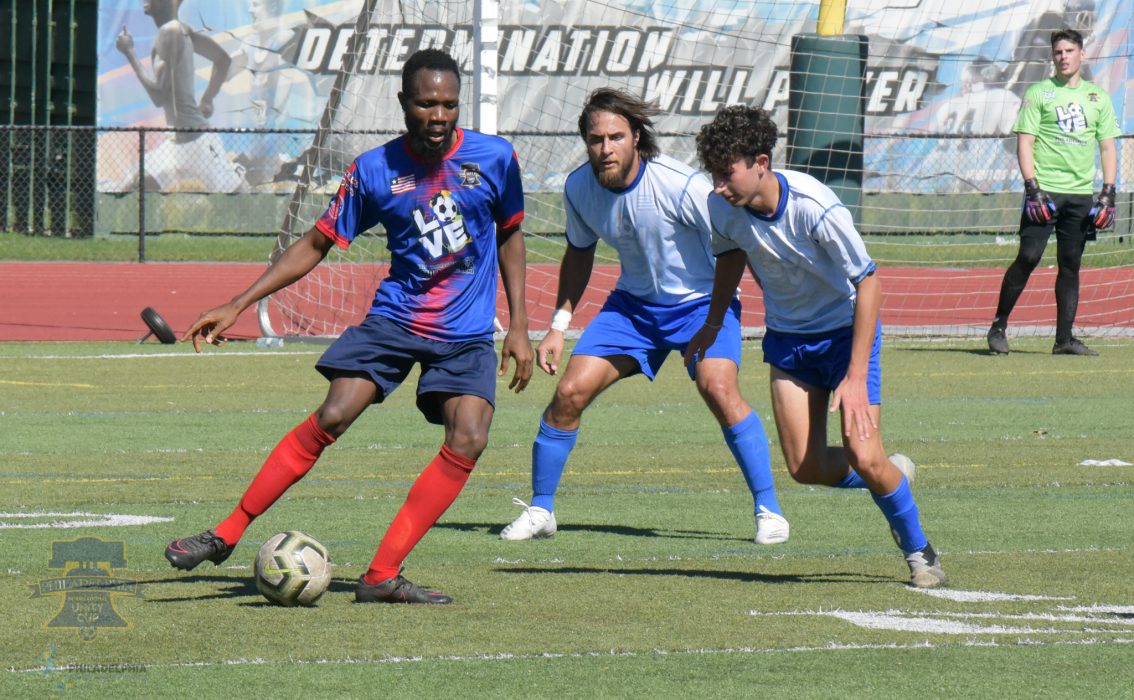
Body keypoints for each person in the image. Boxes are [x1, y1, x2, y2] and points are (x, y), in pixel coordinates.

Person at [164, 49, 534, 604]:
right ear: (404, 103)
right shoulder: (374, 170)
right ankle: (225, 534)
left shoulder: (495, 158)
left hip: (466, 333)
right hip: (396, 319)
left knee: (470, 436)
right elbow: (315, 244)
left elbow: (510, 234)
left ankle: (383, 575)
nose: (439, 116)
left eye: (449, 105)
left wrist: (521, 326)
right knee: (334, 415)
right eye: (427, 104)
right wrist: (239, 303)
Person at [499, 88, 788, 545]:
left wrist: (715, 320)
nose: (606, 148)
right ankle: (541, 509)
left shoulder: (681, 185)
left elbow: (733, 249)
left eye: (616, 136)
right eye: (596, 139)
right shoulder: (578, 188)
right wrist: (558, 326)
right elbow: (579, 254)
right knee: (569, 392)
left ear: (636, 137)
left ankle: (769, 510)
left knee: (718, 387)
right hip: (633, 309)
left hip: (701, 306)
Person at [686, 105, 945, 588]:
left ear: (761, 161)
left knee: (865, 455)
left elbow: (870, 285)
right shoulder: (721, 206)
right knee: (804, 468)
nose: (719, 185)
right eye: (714, 174)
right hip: (788, 341)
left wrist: (854, 373)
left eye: (728, 173)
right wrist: (712, 322)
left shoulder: (816, 206)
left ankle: (920, 552)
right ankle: (893, 477)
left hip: (846, 336)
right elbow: (729, 256)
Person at [986, 28, 1119, 356]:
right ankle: (998, 326)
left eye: (1069, 51)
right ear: (1053, 56)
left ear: (1081, 54)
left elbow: (1107, 148)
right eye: (1058, 52)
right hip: (1044, 192)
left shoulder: (1097, 98)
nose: (1063, 57)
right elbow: (1025, 143)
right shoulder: (1038, 93)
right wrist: (1033, 189)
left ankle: (1064, 340)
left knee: (1070, 263)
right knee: (1028, 257)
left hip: (1079, 195)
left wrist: (1108, 192)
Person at [115, 0, 248, 192]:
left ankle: (269, 218)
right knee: (133, 182)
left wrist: (129, 52)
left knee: (239, 196)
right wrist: (207, 99)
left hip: (198, 143)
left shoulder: (170, 31)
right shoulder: (182, 30)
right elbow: (223, 60)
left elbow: (158, 97)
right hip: (175, 143)